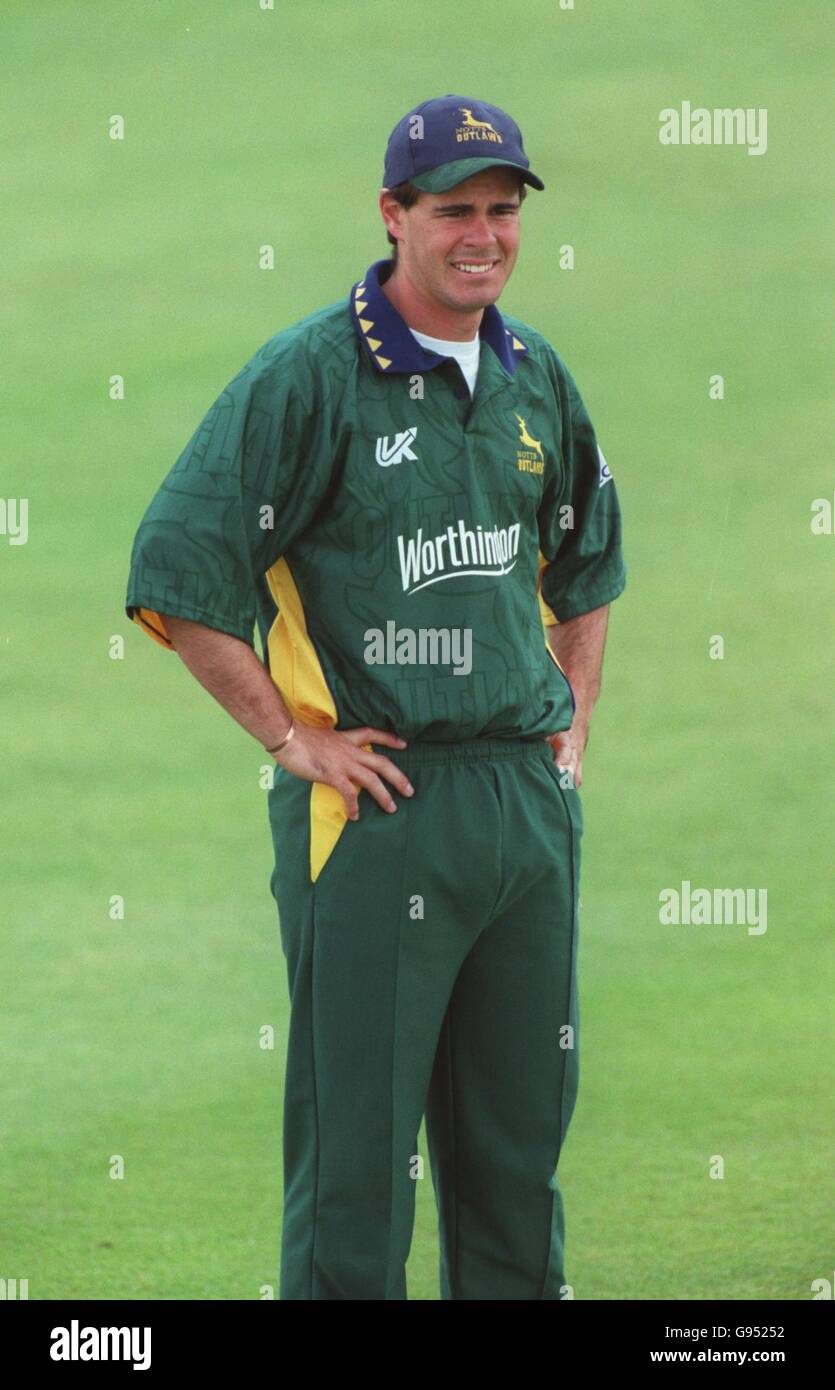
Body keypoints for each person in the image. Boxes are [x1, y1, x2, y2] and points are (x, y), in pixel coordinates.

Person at [124, 93, 626, 1300]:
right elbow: (178, 570)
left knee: (515, 1166)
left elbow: (588, 564)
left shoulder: (531, 370)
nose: (483, 236)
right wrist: (291, 737)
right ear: (392, 215)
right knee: (357, 1178)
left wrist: (571, 727)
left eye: (502, 212)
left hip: (521, 811)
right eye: (454, 210)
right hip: (378, 813)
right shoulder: (308, 375)